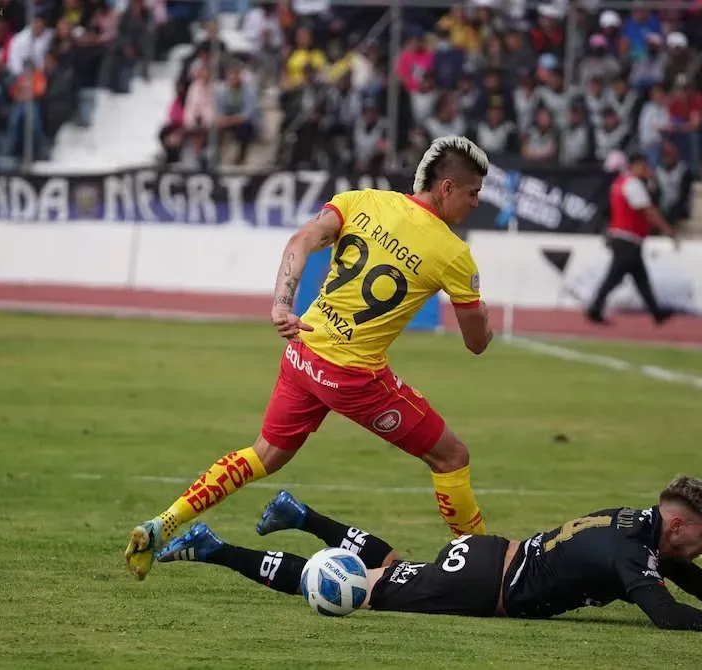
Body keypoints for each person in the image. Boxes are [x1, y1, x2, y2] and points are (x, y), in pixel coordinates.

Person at [125, 136, 495, 581]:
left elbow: (300, 241)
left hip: (302, 352)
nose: (475, 203)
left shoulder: (362, 200)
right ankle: (481, 570)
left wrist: (283, 303)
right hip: (354, 377)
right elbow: (477, 343)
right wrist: (481, 311)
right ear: (448, 188)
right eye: (473, 193)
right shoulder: (453, 253)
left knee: (263, 454)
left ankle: (162, 523)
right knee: (450, 457)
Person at [156, 475, 702, 637]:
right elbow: (669, 615)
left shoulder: (638, 528)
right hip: (488, 583)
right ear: (676, 524)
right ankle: (217, 549)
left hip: (490, 557)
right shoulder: (629, 551)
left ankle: (300, 515)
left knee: (391, 567)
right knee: (354, 590)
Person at [586, 151, 678, 325]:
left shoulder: (620, 183)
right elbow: (647, 210)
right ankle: (594, 307)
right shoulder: (633, 184)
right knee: (614, 276)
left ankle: (656, 312)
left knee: (640, 278)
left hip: (623, 236)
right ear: (635, 166)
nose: (646, 170)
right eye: (644, 166)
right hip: (628, 237)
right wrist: (667, 229)